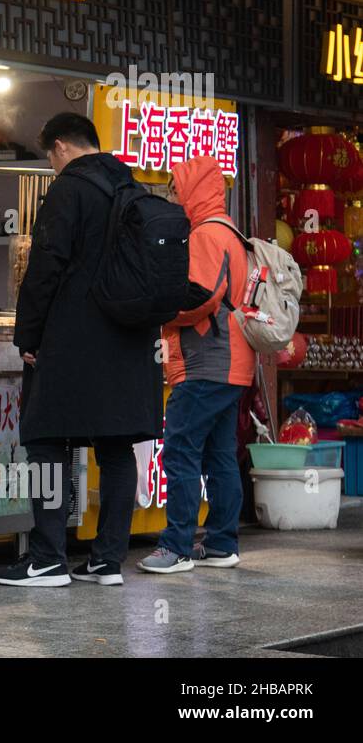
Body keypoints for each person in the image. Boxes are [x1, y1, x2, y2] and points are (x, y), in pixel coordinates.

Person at [0, 112, 163, 588]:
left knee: (46, 437)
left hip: (73, 340)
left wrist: (29, 334)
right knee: (116, 445)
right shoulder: (133, 190)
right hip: (128, 340)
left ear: (61, 146)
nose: (51, 163)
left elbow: (46, 265)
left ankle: (47, 558)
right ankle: (107, 561)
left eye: (49, 154)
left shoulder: (69, 189)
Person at [139, 155, 254, 573]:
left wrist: (158, 312)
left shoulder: (206, 234)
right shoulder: (230, 231)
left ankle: (177, 547)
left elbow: (198, 296)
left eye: (175, 188)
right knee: (221, 454)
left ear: (194, 190)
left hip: (207, 360)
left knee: (181, 450)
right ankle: (222, 543)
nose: (172, 196)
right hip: (232, 361)